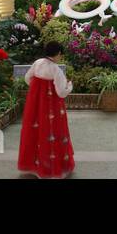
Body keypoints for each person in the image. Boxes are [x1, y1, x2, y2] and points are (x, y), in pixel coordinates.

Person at [17, 41, 75, 178]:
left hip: (37, 105)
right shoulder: (56, 70)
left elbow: (27, 78)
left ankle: (35, 164)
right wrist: (70, 86)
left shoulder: (37, 63)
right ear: (58, 53)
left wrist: (39, 91)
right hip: (52, 108)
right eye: (61, 54)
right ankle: (52, 165)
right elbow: (61, 92)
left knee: (36, 130)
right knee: (53, 132)